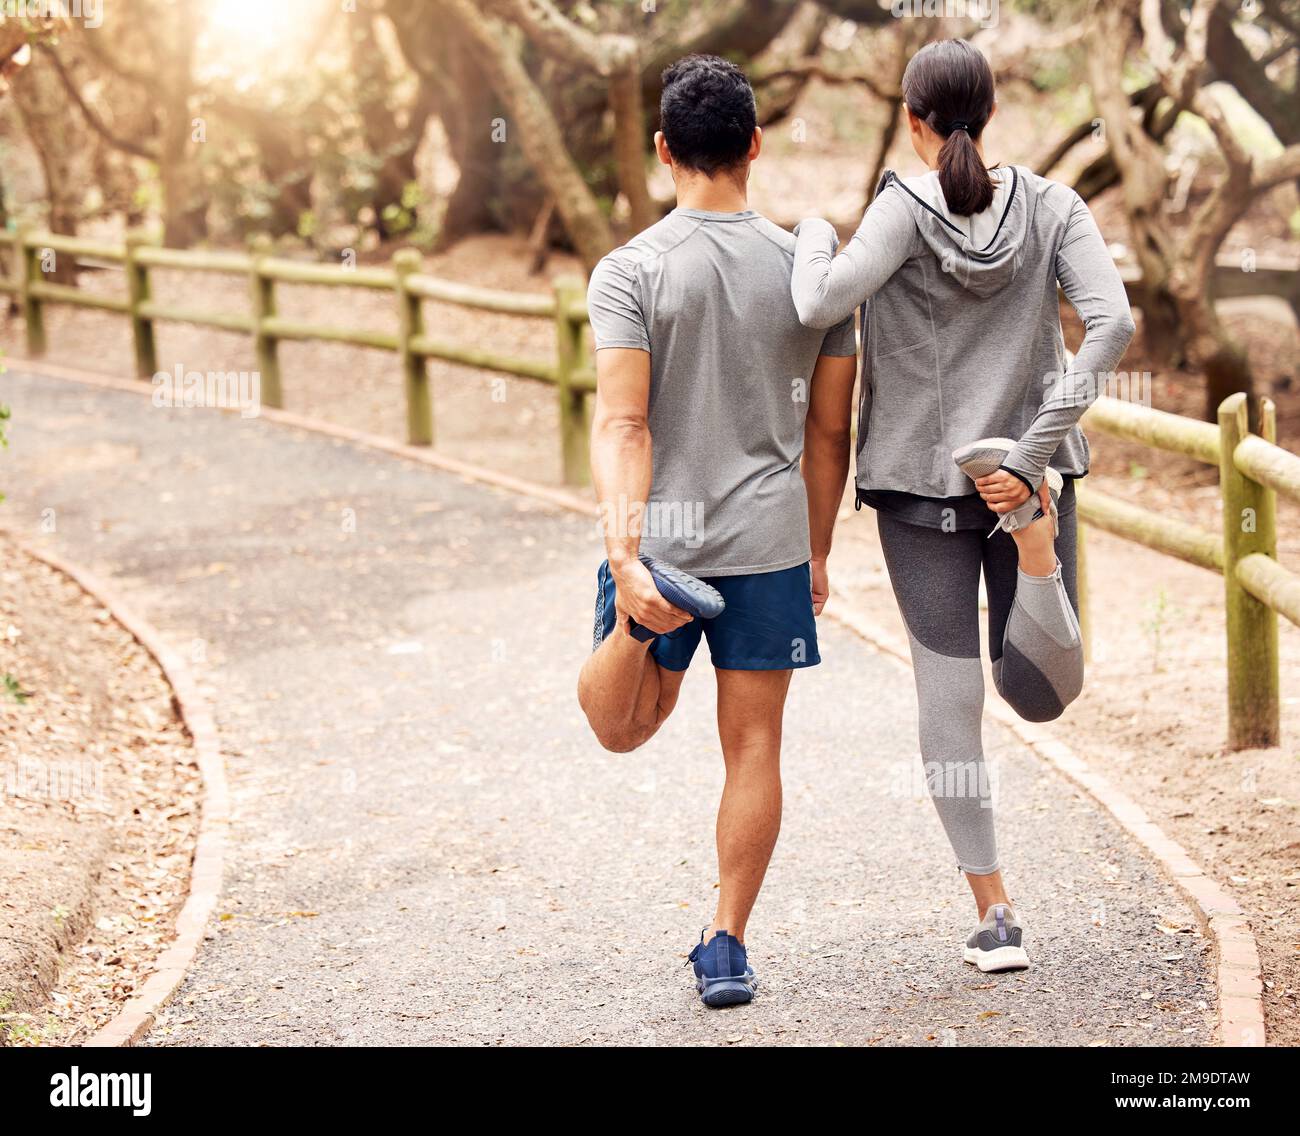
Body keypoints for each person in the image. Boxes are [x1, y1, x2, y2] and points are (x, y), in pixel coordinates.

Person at [791, 38, 1135, 972]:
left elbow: (818, 299)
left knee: (950, 701)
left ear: (912, 119)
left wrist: (818, 229)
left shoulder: (899, 210)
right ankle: (1037, 554)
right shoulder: (1057, 204)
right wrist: (1030, 458)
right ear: (992, 113)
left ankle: (994, 911)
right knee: (1041, 695)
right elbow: (1115, 324)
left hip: (921, 492)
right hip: (1031, 481)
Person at [576, 54, 858, 1007]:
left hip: (662, 537)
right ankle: (728, 941)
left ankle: (634, 626)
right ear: (755, 145)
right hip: (769, 541)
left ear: (664, 150)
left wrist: (626, 558)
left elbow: (623, 422)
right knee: (754, 747)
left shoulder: (630, 272)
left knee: (623, 728)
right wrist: (817, 551)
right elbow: (829, 431)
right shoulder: (813, 276)